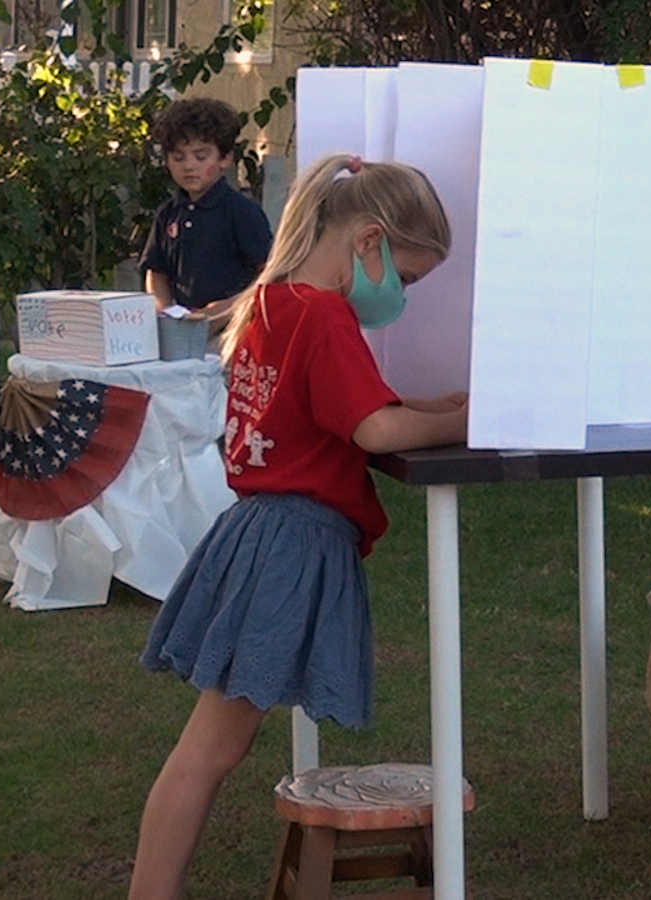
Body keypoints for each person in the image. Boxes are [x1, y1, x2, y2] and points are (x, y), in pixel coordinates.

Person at [128, 153, 469, 900]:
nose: (402, 296)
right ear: (369, 241)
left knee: (211, 747)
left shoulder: (274, 302)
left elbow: (342, 407)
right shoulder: (325, 315)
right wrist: (467, 422)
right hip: (290, 544)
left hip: (260, 535)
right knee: (210, 749)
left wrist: (434, 409)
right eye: (408, 278)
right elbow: (375, 429)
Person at [140, 97, 274, 319]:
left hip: (234, 326)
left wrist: (226, 309)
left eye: (201, 156)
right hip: (183, 326)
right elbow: (156, 271)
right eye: (178, 157)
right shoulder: (168, 214)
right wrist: (165, 310)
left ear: (225, 158)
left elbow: (268, 274)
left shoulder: (241, 212)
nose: (189, 166)